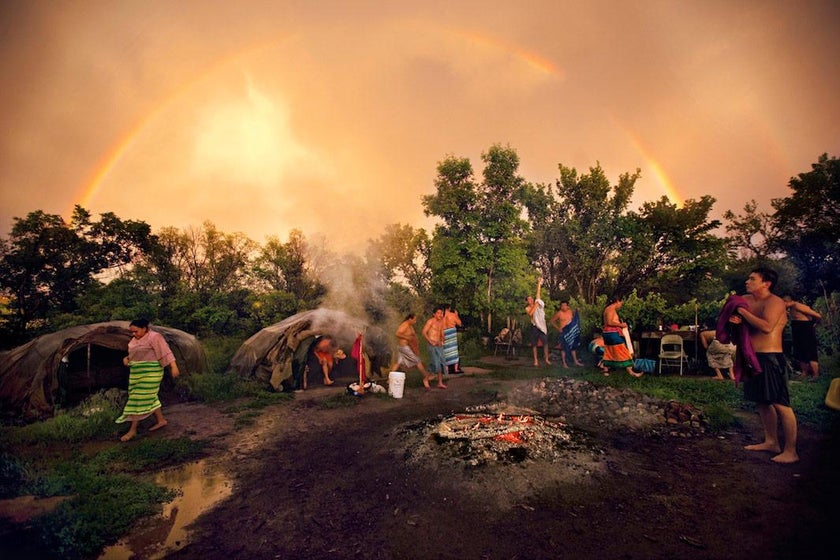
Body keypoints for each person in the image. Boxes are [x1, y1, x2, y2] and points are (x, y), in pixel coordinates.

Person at [728, 268, 798, 464]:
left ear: (766, 283)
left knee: (780, 403)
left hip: (770, 357)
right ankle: (771, 441)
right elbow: (741, 325)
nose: (747, 281)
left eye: (752, 278)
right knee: (762, 401)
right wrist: (735, 321)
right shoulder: (746, 300)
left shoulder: (775, 302)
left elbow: (767, 327)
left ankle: (791, 451)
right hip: (751, 356)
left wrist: (741, 311)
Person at [116, 318, 180, 442]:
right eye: (132, 332)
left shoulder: (155, 337)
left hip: (151, 372)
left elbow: (165, 352)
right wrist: (126, 359)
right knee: (149, 396)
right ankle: (161, 420)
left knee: (138, 398)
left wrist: (173, 366)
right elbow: (136, 354)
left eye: (136, 331)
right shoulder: (134, 340)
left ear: (144, 328)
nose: (133, 334)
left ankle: (133, 430)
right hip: (137, 373)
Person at [390, 313, 439, 390]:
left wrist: (414, 343)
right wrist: (407, 337)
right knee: (417, 361)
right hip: (404, 347)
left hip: (402, 347)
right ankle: (426, 376)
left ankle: (389, 379)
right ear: (410, 319)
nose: (415, 321)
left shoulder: (409, 326)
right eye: (414, 319)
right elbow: (397, 333)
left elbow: (413, 335)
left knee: (398, 362)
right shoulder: (405, 325)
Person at [602, 297, 642, 378]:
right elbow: (609, 322)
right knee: (623, 351)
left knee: (609, 351)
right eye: (621, 303)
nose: (620, 305)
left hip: (607, 333)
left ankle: (605, 370)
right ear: (617, 301)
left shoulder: (607, 309)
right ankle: (631, 373)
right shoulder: (610, 309)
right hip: (612, 333)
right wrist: (621, 325)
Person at [783, 295, 822, 380]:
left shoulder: (798, 306)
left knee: (810, 351)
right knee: (800, 351)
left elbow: (817, 315)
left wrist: (815, 323)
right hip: (798, 329)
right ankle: (804, 373)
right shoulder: (791, 309)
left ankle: (815, 375)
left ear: (787, 301)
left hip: (805, 329)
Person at [525, 277, 551, 367]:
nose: (531, 300)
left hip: (542, 326)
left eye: (531, 298)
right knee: (534, 344)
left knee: (545, 343)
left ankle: (546, 359)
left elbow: (538, 294)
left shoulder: (538, 304)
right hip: (535, 327)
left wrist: (539, 283)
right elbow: (531, 313)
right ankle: (535, 360)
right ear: (527, 301)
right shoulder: (528, 308)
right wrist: (535, 305)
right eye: (528, 299)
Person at [549, 301, 584, 368]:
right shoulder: (559, 313)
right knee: (564, 348)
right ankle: (564, 363)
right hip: (564, 332)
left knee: (573, 347)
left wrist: (577, 310)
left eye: (565, 305)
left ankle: (575, 361)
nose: (563, 307)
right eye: (562, 306)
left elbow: (575, 317)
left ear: (567, 306)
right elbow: (552, 321)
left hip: (571, 332)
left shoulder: (570, 312)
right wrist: (558, 328)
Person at [422, 307, 448, 388]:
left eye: (442, 313)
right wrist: (430, 341)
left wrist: (442, 340)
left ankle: (440, 382)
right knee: (434, 363)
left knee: (441, 363)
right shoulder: (430, 321)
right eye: (439, 313)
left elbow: (442, 333)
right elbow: (424, 332)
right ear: (434, 314)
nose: (441, 315)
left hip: (439, 345)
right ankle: (426, 379)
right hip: (431, 345)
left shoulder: (441, 322)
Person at [443, 305, 465, 374]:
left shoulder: (441, 316)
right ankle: (455, 369)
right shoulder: (452, 315)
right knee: (454, 350)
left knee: (446, 351)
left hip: (444, 333)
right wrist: (456, 315)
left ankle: (446, 369)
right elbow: (459, 323)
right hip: (451, 333)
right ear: (449, 308)